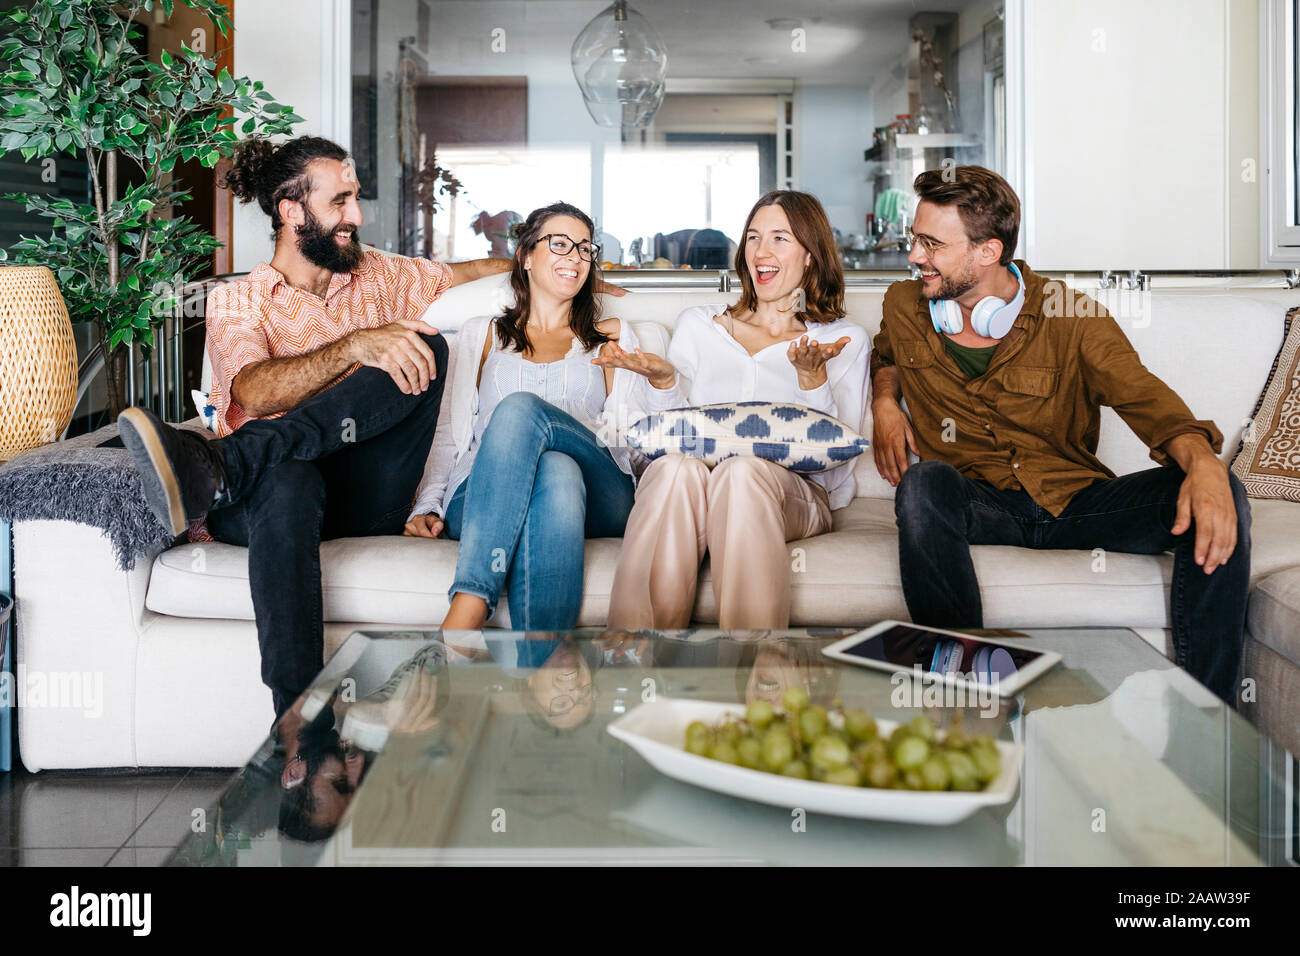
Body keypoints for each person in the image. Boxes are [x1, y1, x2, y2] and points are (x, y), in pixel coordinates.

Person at [117, 135, 526, 717]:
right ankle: (302, 721)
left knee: (422, 344)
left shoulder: (379, 275)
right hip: (268, 501)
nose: (356, 217)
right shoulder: (239, 300)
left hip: (363, 494)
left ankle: (222, 464)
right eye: (340, 202)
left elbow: (481, 270)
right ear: (291, 211)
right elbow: (252, 392)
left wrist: (564, 267)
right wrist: (353, 346)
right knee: (288, 477)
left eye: (355, 199)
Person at [871, 165, 1250, 705]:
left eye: (931, 243)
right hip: (981, 503)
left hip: (1075, 503)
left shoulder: (1070, 316)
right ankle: (965, 700)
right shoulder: (904, 304)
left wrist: (1206, 465)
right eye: (915, 238)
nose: (914, 256)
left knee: (1221, 494)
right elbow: (884, 354)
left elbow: (1144, 398)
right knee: (923, 485)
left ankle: (1209, 717)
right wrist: (886, 401)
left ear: (988, 252)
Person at [403, 202, 678, 630]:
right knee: (555, 469)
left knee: (519, 410)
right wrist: (427, 503)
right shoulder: (482, 335)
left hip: (601, 493)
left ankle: (467, 609)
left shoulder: (614, 339)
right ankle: (547, 667)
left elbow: (642, 438)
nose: (575, 257)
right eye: (560, 244)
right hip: (482, 489)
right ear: (526, 256)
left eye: (586, 249)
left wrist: (664, 383)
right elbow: (448, 434)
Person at [606, 191, 870, 629]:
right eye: (753, 237)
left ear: (810, 255)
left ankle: (758, 669)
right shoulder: (699, 324)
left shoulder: (843, 339)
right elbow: (668, 438)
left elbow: (836, 473)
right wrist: (663, 382)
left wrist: (812, 380)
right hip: (693, 486)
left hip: (791, 496)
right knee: (673, 470)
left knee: (741, 472)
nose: (761, 252)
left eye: (780, 239)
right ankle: (638, 659)